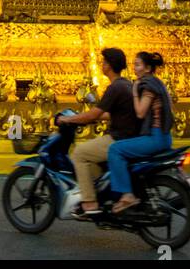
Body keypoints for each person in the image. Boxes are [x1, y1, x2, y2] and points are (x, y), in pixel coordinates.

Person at [58, 47, 140, 218]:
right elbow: (111, 114)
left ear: (108, 66)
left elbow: (94, 113)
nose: (102, 65)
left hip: (119, 138)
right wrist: (91, 117)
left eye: (104, 62)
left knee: (79, 153)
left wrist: (70, 119)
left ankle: (89, 203)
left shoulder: (115, 87)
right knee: (90, 160)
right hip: (129, 136)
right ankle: (102, 193)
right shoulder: (126, 84)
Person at [107, 51, 174, 215]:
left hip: (155, 138)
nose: (134, 69)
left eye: (138, 65)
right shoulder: (159, 83)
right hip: (165, 137)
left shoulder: (148, 86)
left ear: (148, 68)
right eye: (134, 65)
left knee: (115, 149)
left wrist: (136, 90)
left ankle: (126, 195)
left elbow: (140, 113)